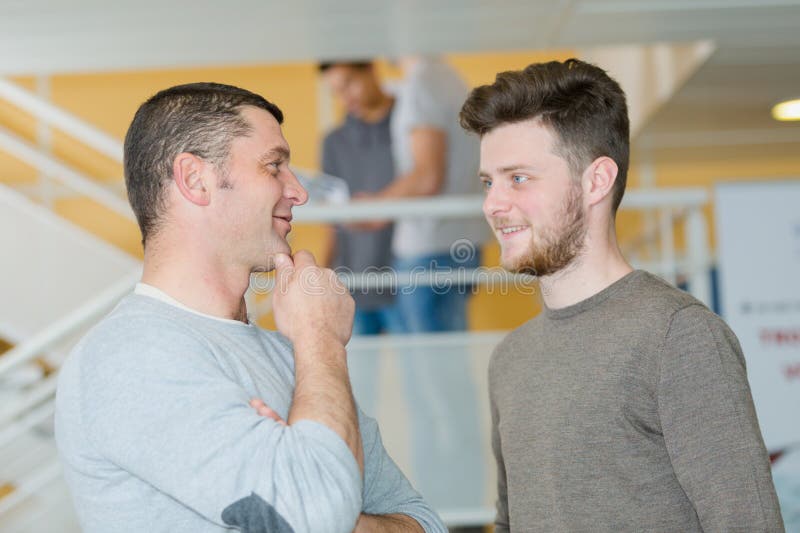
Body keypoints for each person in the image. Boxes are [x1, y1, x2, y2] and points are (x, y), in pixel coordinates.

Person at [54, 82, 445, 533]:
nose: (298, 191)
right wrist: (321, 339)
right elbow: (314, 514)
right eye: (274, 165)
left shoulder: (291, 356)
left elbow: (425, 523)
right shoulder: (128, 356)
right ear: (196, 179)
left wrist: (311, 483)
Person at [459, 59, 785, 532]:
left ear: (596, 181)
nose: (493, 203)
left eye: (519, 178)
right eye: (489, 182)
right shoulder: (511, 358)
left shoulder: (678, 337)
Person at [318, 60, 400, 336]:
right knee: (356, 375)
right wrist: (323, 277)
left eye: (349, 83)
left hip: (410, 276)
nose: (345, 97)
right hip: (353, 280)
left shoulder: (411, 127)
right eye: (336, 91)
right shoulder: (334, 142)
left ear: (371, 70)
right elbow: (332, 222)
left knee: (424, 371)